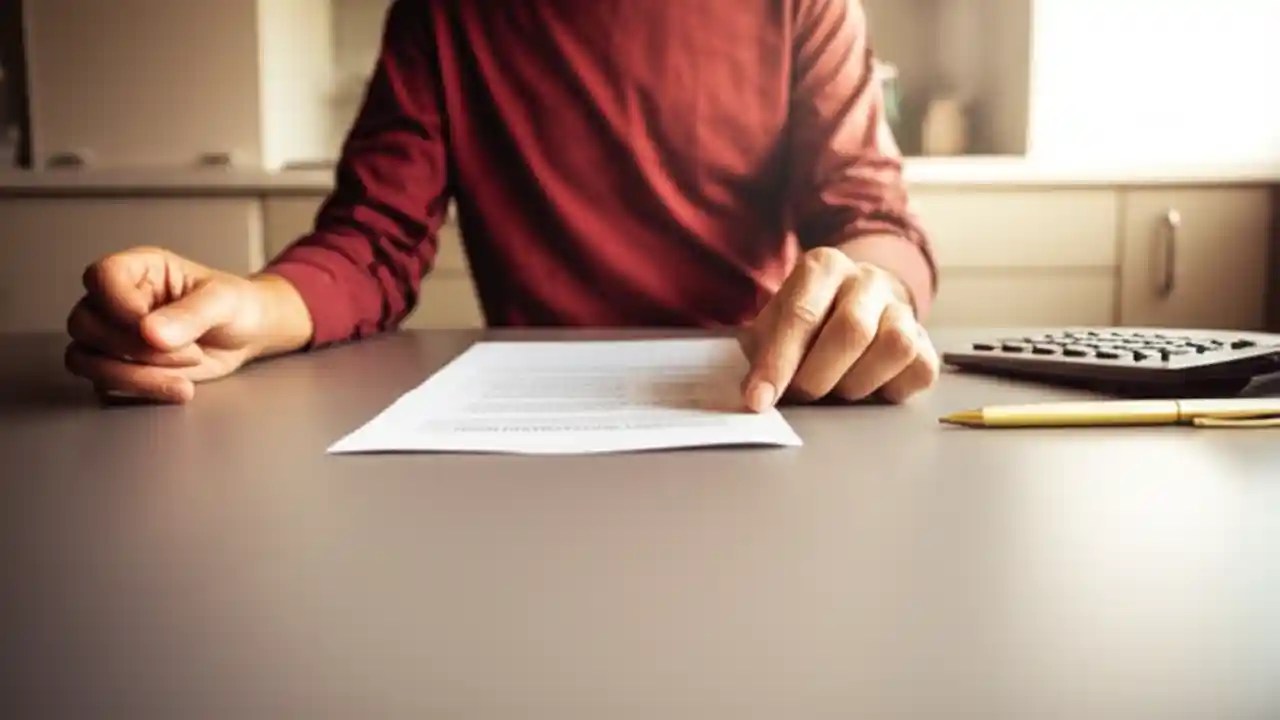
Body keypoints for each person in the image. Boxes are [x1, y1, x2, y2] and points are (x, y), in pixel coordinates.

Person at [64, 0, 939, 411]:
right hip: (525, 426)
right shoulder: (443, 15)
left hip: (757, 396)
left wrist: (871, 293)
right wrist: (248, 308)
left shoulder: (801, 5)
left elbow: (868, 214)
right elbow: (372, 242)